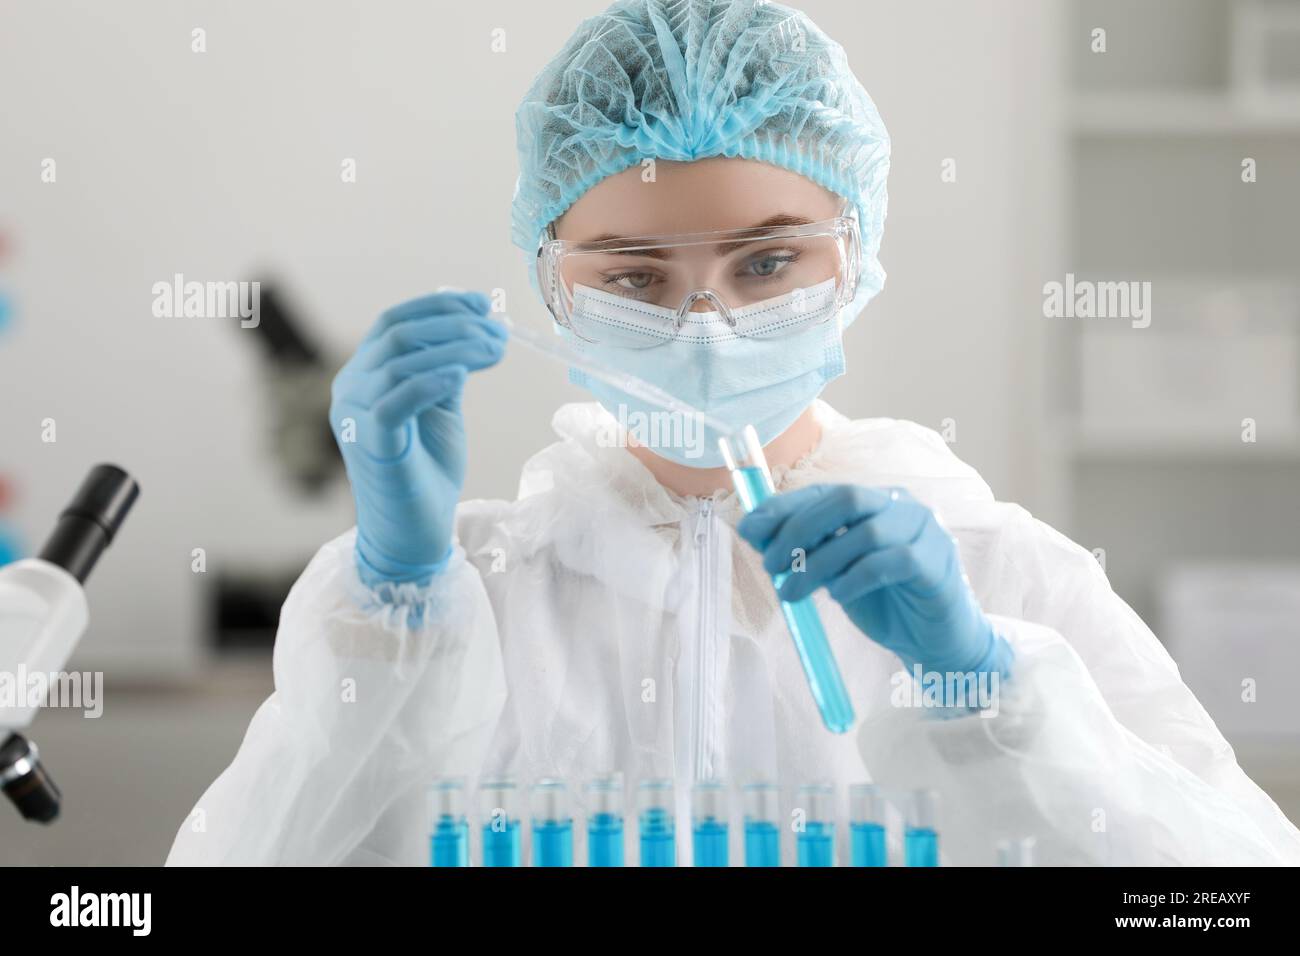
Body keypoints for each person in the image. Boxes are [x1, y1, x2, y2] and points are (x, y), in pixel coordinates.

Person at [167, 0, 1300, 866]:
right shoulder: (479, 599)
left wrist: (988, 696)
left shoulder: (1001, 579)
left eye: (768, 261)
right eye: (633, 275)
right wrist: (399, 605)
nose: (705, 322)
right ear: (555, 290)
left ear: (851, 257)